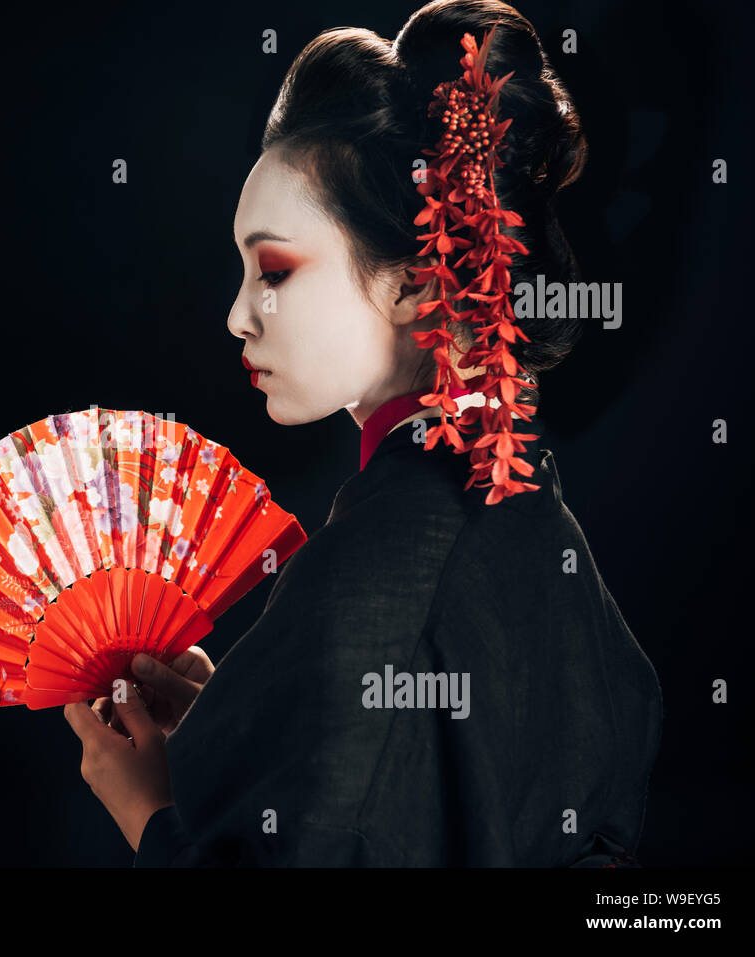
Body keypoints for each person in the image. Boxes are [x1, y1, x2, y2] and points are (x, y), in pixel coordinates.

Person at [63, 0, 663, 866]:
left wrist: (152, 811)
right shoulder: (539, 528)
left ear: (418, 285)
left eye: (273, 269)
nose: (237, 316)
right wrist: (248, 725)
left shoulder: (371, 572)